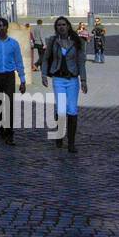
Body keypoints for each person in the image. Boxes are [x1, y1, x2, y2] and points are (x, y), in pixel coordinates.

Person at [40, 15, 87, 152]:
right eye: (59, 25)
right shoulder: (53, 41)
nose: (61, 27)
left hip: (72, 79)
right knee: (61, 108)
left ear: (68, 26)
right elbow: (46, 58)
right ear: (56, 28)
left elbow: (81, 62)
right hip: (58, 79)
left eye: (64, 24)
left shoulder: (77, 42)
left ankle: (71, 142)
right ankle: (59, 135)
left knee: (72, 109)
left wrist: (83, 80)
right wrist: (43, 74)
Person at [0, 16, 27, 145]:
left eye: (3, 25)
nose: (1, 28)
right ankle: (1, 127)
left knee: (10, 104)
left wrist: (22, 80)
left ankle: (9, 132)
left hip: (9, 76)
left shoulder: (13, 43)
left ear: (7, 28)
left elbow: (19, 61)